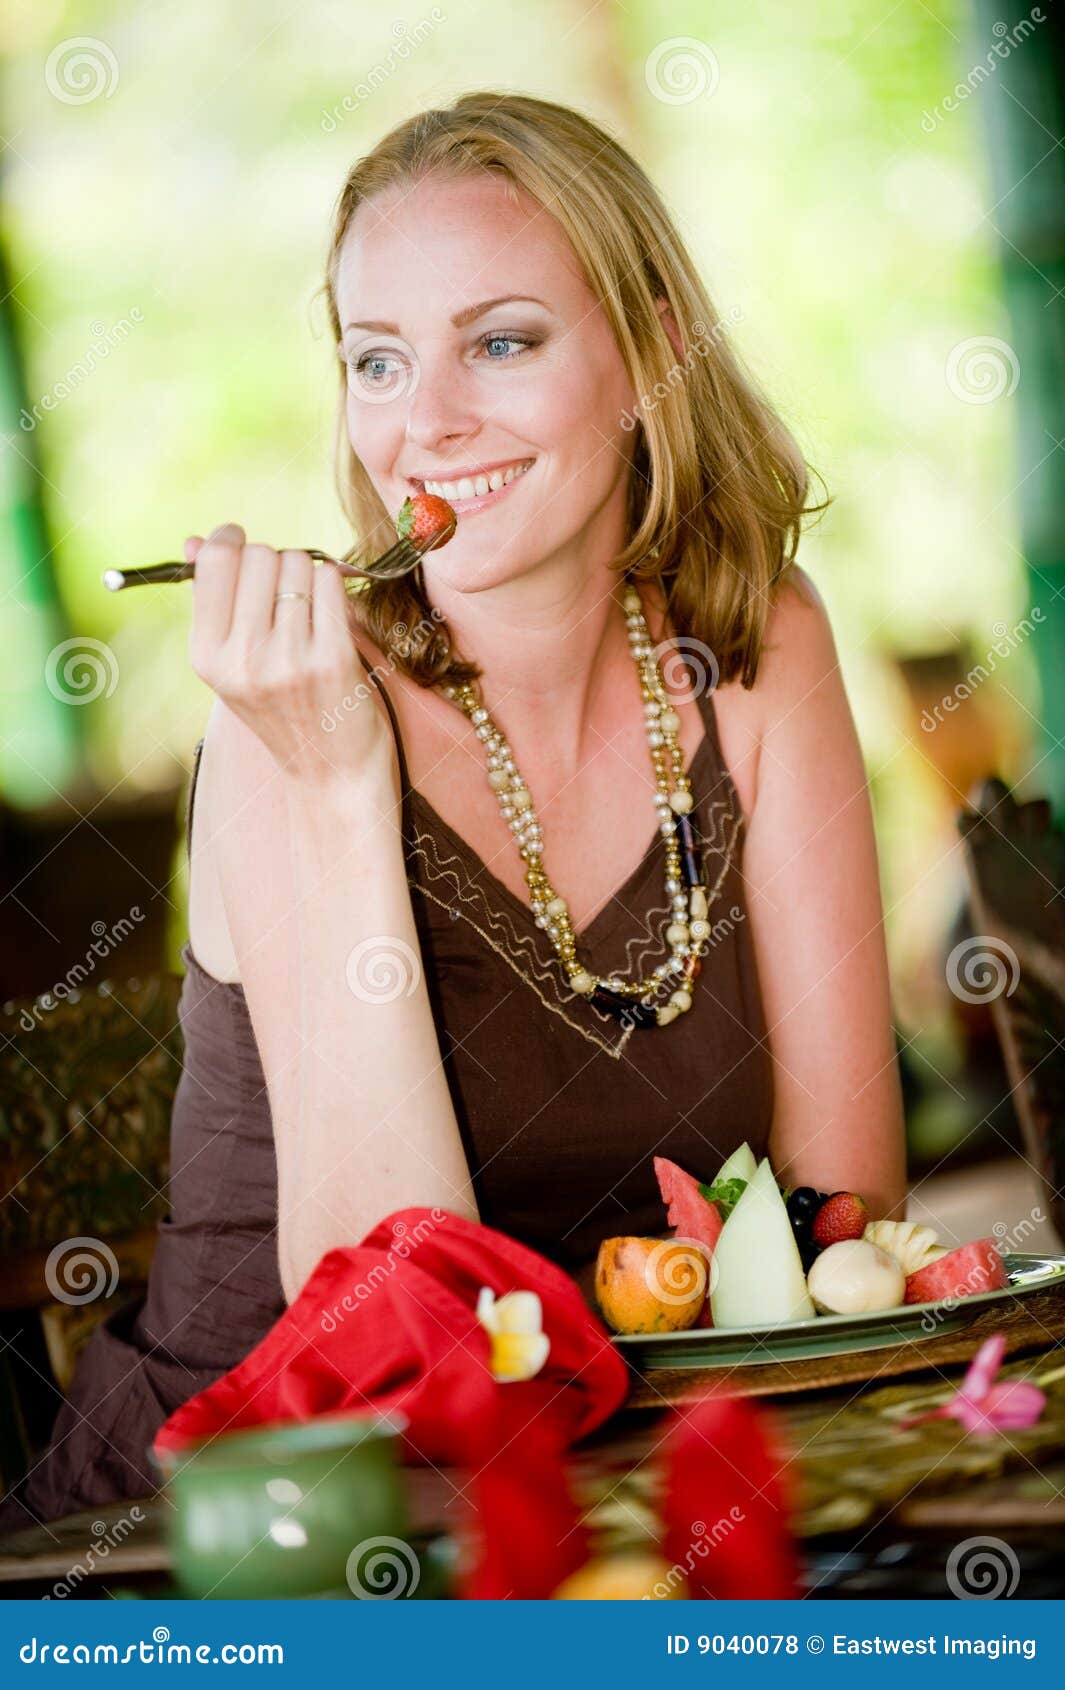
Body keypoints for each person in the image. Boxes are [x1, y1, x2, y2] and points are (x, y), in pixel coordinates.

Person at [0, 90, 905, 1533]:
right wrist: (338, 778)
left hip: (588, 1485)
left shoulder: (754, 643)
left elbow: (840, 1220)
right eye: (376, 360)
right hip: (249, 1527)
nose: (422, 426)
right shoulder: (284, 720)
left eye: (500, 341)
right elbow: (392, 1319)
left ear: (654, 352)